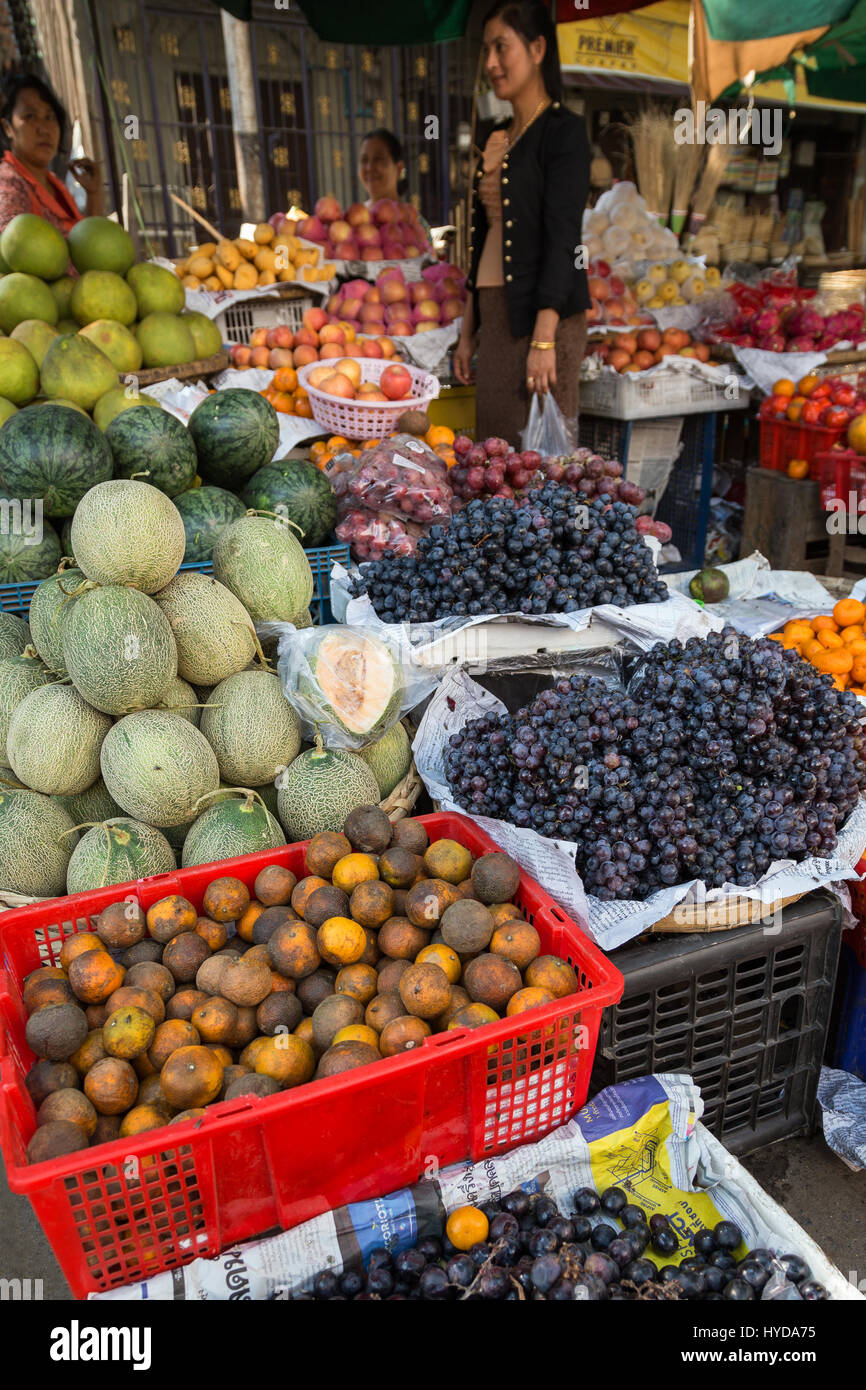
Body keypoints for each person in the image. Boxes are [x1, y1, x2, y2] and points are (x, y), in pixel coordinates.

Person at [454, 1, 590, 446]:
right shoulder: (495, 135)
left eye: (501, 47)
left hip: (542, 317)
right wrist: (467, 332)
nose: (491, 63)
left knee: (539, 467)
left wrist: (544, 339)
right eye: (486, 50)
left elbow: (564, 236)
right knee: (491, 459)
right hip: (496, 317)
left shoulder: (562, 132)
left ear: (536, 48)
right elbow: (484, 239)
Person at [0, 73, 102, 238]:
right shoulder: (8, 185)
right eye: (30, 116)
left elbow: (85, 246)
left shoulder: (54, 184)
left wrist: (93, 195)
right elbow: (12, 248)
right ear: (8, 127)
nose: (44, 129)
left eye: (49, 117)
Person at [358, 127, 432, 238]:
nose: (369, 167)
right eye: (364, 160)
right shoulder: (355, 220)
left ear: (399, 168)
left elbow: (428, 254)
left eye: (379, 159)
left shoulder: (414, 221)